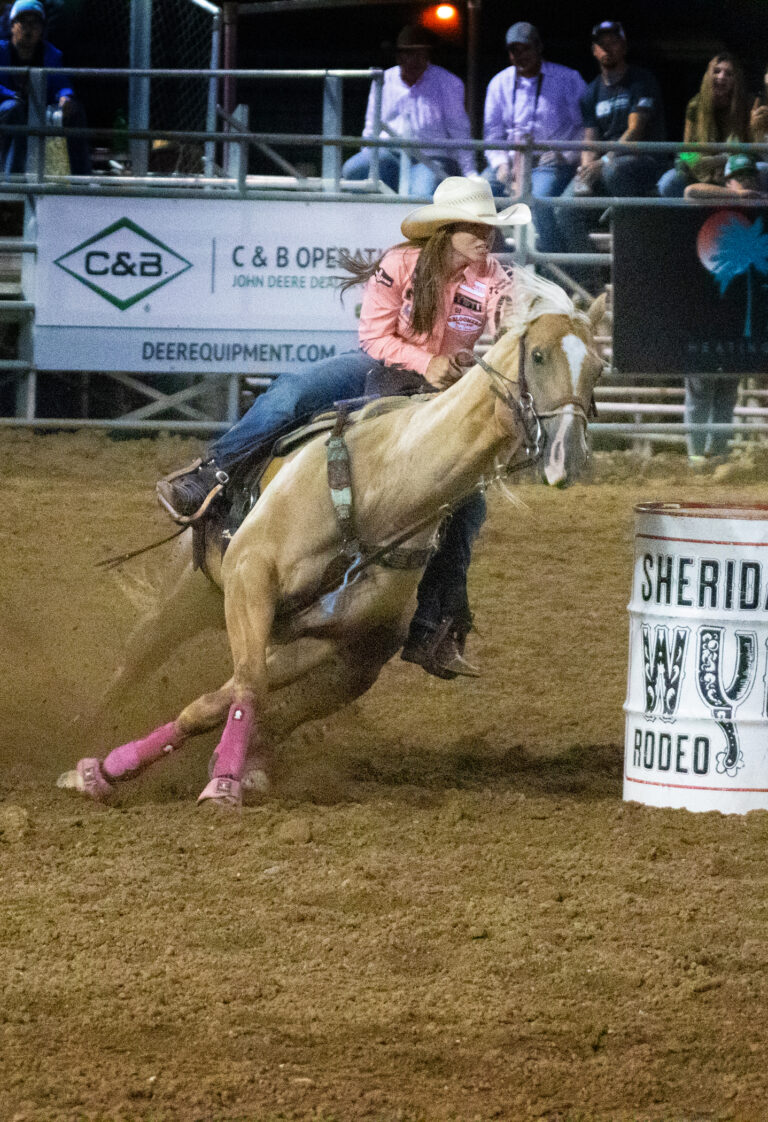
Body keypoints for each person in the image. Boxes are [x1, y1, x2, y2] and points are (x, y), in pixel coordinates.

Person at [157, 177, 531, 678]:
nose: (486, 237)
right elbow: (375, 338)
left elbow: (511, 321)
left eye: (490, 228)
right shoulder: (399, 264)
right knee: (292, 393)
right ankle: (212, 474)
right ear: (446, 230)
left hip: (439, 392)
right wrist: (427, 362)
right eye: (475, 228)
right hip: (380, 365)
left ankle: (434, 623)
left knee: (469, 502)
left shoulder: (493, 280)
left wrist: (499, 338)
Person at [556, 20, 666, 290]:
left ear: (624, 46)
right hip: (605, 166)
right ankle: (590, 285)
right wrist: (584, 170)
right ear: (594, 51)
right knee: (563, 207)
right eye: (601, 44)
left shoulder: (641, 80)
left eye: (613, 42)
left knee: (614, 171)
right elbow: (590, 140)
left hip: (643, 161)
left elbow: (635, 132)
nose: (607, 48)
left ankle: (633, 274)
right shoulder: (591, 92)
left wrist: (603, 162)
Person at [481, 21, 586, 254]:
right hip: (511, 163)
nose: (520, 55)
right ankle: (501, 261)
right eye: (514, 50)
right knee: (474, 196)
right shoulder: (498, 83)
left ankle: (553, 268)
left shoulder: (568, 79)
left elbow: (585, 126)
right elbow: (492, 134)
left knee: (538, 202)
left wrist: (566, 155)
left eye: (526, 48)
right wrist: (500, 164)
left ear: (539, 47)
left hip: (548, 163)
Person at [342, 25, 476, 195]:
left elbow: (459, 129)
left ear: (427, 55)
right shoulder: (383, 80)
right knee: (353, 170)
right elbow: (371, 124)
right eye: (409, 54)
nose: (414, 60)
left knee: (421, 192)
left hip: (430, 156)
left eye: (420, 54)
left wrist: (470, 172)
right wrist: (368, 153)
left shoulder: (449, 82)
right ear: (398, 57)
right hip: (389, 153)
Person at [0, 0, 91, 176]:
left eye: (35, 23)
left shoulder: (51, 54)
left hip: (39, 108)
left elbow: (62, 84)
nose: (29, 28)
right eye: (23, 22)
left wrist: (65, 98)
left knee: (74, 112)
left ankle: (81, 178)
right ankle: (14, 180)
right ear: (12, 26)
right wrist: (12, 95)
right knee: (14, 110)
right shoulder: (2, 51)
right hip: (6, 106)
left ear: (42, 29)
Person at [658, 53, 749, 198]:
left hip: (734, 168)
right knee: (668, 183)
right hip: (701, 172)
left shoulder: (746, 106)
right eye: (717, 71)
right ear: (708, 75)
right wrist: (703, 168)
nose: (721, 77)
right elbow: (686, 151)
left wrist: (721, 162)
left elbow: (749, 150)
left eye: (729, 74)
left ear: (735, 80)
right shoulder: (695, 105)